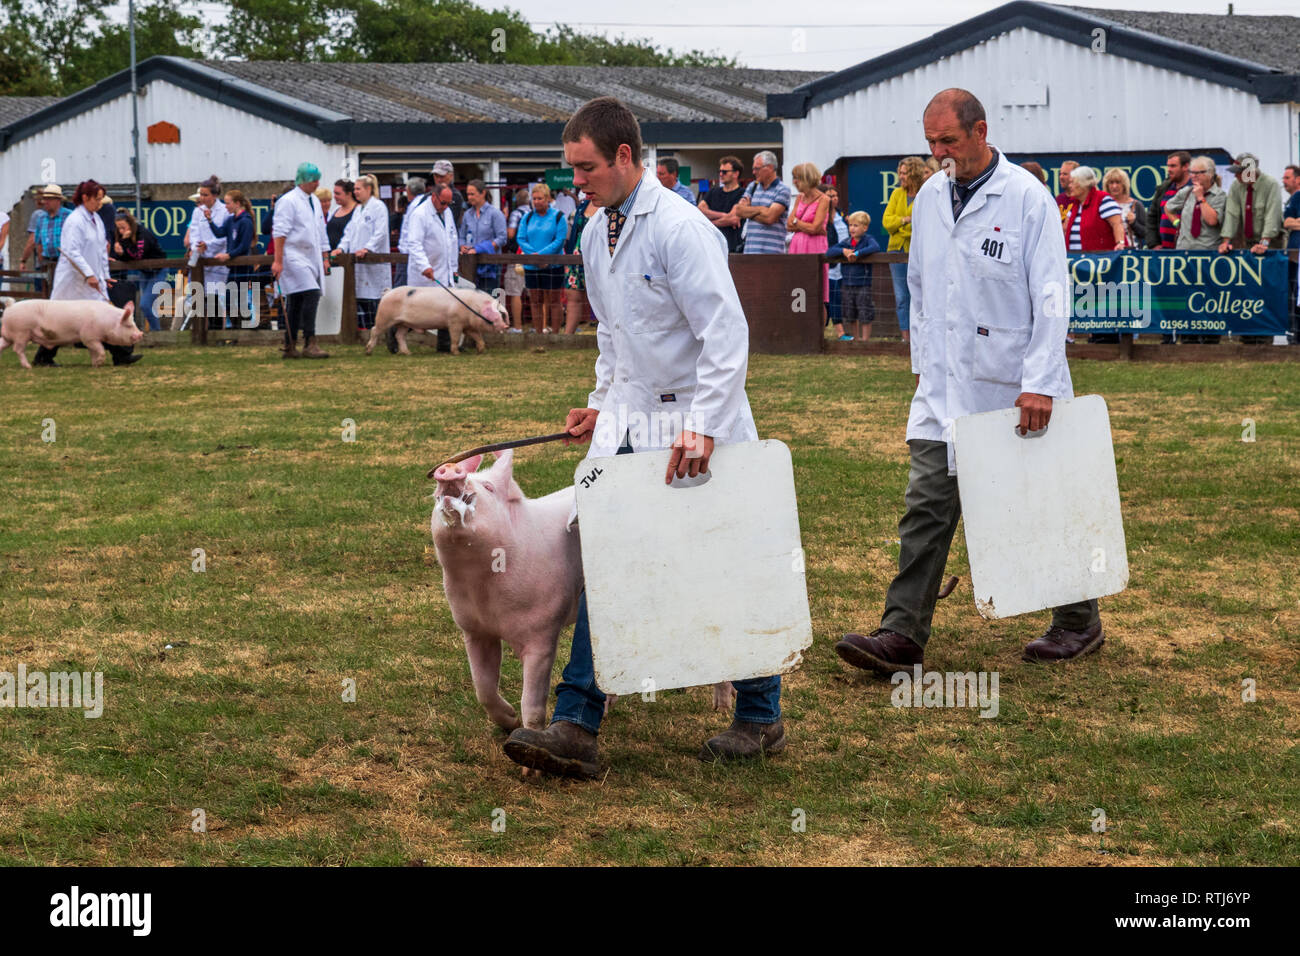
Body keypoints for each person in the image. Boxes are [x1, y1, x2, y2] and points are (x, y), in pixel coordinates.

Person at [502, 96, 779, 779]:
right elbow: (612, 333)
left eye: (587, 167)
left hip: (695, 425)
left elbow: (726, 334)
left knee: (723, 565)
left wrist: (704, 426)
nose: (577, 182)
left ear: (626, 156)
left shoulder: (682, 229)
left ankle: (760, 715)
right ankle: (576, 721)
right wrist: (601, 404)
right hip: (631, 425)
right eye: (570, 170)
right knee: (609, 555)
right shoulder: (598, 232)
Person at [837, 88, 1102, 677]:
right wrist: (922, 362)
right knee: (926, 506)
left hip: (1012, 385)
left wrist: (1040, 381)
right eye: (930, 143)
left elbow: (1052, 297)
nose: (938, 153)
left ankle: (1078, 621)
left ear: (981, 131)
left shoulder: (1027, 200)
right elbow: (926, 288)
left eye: (948, 141)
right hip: (944, 387)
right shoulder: (931, 195)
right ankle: (901, 634)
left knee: (1030, 504)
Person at [42, 179, 141, 367]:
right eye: (97, 199)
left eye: (101, 199)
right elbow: (72, 251)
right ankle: (43, 356)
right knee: (59, 320)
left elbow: (101, 251)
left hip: (92, 280)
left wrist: (104, 275)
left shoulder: (97, 220)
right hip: (73, 280)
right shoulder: (75, 221)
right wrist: (89, 274)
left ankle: (121, 355)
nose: (99, 203)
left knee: (102, 318)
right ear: (85, 198)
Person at [272, 162, 332, 359]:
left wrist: (325, 256)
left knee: (297, 299)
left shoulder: (313, 200)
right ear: (304, 180)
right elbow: (280, 232)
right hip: (293, 254)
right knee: (311, 294)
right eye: (314, 180)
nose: (317, 183)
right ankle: (310, 341)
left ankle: (290, 345)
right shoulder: (288, 201)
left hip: (311, 255)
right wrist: (278, 261)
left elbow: (320, 230)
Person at [332, 173, 391, 330]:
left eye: (358, 189)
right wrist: (341, 248)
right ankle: (363, 333)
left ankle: (380, 333)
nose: (355, 192)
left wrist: (368, 248)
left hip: (373, 264)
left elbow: (381, 232)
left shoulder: (378, 207)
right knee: (361, 299)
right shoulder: (358, 210)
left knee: (376, 299)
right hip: (359, 264)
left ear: (368, 189)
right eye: (355, 189)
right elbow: (349, 233)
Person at [883, 156, 926, 343]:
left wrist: (901, 225)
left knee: (921, 294)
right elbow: (886, 222)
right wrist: (905, 221)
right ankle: (906, 338)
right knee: (901, 296)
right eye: (899, 172)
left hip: (918, 251)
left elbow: (921, 226)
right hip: (896, 251)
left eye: (904, 173)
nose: (900, 176)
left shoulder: (925, 194)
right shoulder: (896, 194)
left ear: (914, 173)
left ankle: (922, 336)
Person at [516, 182, 567, 333]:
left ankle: (556, 334)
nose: (536, 202)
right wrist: (534, 257)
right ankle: (538, 333)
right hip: (532, 265)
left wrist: (543, 256)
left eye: (539, 198)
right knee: (535, 300)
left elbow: (560, 240)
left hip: (553, 265)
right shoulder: (527, 217)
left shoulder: (558, 217)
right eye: (534, 199)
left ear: (547, 199)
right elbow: (521, 238)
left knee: (554, 300)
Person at [786, 161, 831, 321]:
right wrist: (803, 225)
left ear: (806, 178)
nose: (794, 182)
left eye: (796, 178)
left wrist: (798, 223)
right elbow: (789, 225)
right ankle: (800, 325)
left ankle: (819, 330)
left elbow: (815, 227)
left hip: (815, 247)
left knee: (817, 290)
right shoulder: (799, 198)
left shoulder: (824, 199)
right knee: (798, 288)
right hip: (797, 247)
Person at [827, 211, 881, 341]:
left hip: (863, 284)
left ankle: (865, 340)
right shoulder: (846, 242)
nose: (852, 228)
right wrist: (843, 251)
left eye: (856, 225)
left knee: (865, 312)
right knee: (851, 313)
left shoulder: (868, 240)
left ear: (865, 227)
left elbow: (875, 247)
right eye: (850, 225)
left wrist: (857, 254)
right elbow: (829, 252)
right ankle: (856, 339)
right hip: (847, 284)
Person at [1218, 152, 1285, 256]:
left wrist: (1264, 243)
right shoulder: (1236, 186)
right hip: (1248, 243)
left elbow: (1272, 216)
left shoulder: (1271, 184)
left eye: (1239, 172)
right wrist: (1225, 242)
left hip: (1271, 243)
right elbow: (1231, 214)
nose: (1235, 175)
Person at [207, 189, 257, 326]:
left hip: (243, 266)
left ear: (237, 203)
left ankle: (248, 327)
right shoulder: (230, 220)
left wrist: (228, 255)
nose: (225, 206)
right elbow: (219, 233)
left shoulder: (246, 221)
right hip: (233, 266)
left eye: (228, 203)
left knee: (241, 299)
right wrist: (210, 220)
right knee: (229, 299)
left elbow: (244, 246)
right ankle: (237, 328)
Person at [111, 210, 167, 331]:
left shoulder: (143, 234)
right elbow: (127, 257)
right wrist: (119, 254)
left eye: (123, 227)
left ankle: (156, 332)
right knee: (148, 305)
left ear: (130, 225)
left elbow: (138, 254)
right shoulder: (123, 236)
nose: (121, 231)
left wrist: (124, 245)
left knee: (145, 304)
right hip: (145, 272)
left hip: (158, 270)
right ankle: (155, 332)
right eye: (118, 228)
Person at [20, 184, 71, 303]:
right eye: (45, 199)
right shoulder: (41, 218)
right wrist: (41, 260)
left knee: (64, 295)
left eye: (49, 199)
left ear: (58, 200)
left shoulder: (69, 216)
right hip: (47, 262)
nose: (45, 202)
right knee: (46, 295)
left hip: (64, 261)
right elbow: (38, 241)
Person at [735, 150, 790, 254]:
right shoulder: (752, 186)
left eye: (757, 169)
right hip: (750, 252)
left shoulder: (783, 190)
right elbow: (739, 210)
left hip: (772, 253)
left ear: (769, 168)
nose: (753, 172)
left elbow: (770, 218)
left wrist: (749, 212)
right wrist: (762, 209)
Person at [457, 178, 507, 293]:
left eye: (472, 194)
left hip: (490, 265)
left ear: (483, 193)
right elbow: (461, 236)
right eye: (468, 194)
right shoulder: (467, 215)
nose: (469, 197)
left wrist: (480, 249)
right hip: (469, 265)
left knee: (488, 300)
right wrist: (462, 246)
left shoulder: (495, 213)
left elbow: (502, 238)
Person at [1166, 156, 1226, 251]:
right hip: (1183, 252)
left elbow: (1212, 221)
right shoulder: (1186, 192)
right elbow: (1168, 207)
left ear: (1209, 174)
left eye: (1197, 173)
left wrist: (1200, 197)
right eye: (1191, 172)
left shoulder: (1220, 196)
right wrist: (1177, 223)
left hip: (1208, 253)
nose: (1193, 176)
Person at [1063, 166, 1125, 252]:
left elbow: (1117, 224)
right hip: (1076, 261)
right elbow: (1064, 230)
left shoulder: (1103, 200)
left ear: (1083, 184)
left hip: (1102, 260)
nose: (1070, 186)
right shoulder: (1075, 205)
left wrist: (1120, 243)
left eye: (1072, 182)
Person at [698, 154, 744, 252]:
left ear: (736, 174)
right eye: (719, 171)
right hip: (712, 245)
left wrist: (709, 224)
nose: (721, 174)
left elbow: (733, 219)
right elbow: (700, 210)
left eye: (724, 172)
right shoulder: (713, 192)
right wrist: (724, 215)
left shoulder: (743, 194)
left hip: (732, 247)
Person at [823, 183, 850, 339]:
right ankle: (839, 332)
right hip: (830, 264)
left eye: (835, 195)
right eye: (829, 195)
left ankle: (840, 332)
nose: (833, 199)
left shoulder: (841, 215)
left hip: (842, 265)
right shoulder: (823, 217)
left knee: (838, 298)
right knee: (831, 298)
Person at [1148, 151, 1191, 249]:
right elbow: (1152, 218)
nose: (1169, 170)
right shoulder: (1164, 188)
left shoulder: (1194, 188)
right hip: (1164, 253)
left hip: (1187, 251)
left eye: (1173, 166)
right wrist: (1154, 244)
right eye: (1168, 166)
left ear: (1185, 167)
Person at [563, 194, 592, 333]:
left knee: (604, 296)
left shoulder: (609, 207)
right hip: (576, 256)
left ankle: (608, 336)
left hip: (600, 256)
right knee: (572, 295)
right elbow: (570, 236)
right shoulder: (580, 209)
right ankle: (567, 337)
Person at [502, 188, 529, 331]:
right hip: (533, 255)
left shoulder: (516, 214)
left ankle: (517, 327)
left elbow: (510, 234)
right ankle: (542, 327)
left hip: (517, 256)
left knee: (515, 292)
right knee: (536, 292)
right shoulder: (533, 214)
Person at [1103, 168, 1146, 249]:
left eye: (1118, 182)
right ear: (1107, 185)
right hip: (1108, 253)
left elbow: (1146, 233)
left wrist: (1134, 223)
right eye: (1111, 183)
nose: (1114, 186)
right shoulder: (1103, 205)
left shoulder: (1136, 205)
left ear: (1124, 184)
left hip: (1131, 252)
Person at [1282, 164, 1300, 343]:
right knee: (1293, 295)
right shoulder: (1295, 199)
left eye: (1287, 178)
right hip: (1295, 255)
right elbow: (1287, 222)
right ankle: (1294, 335)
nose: (1283, 182)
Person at [430, 160, 466, 227]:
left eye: (442, 176)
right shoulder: (429, 195)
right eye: (436, 176)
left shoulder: (455, 196)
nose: (438, 179)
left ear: (451, 176)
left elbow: (448, 222)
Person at [326, 179, 356, 250]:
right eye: (334, 193)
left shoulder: (357, 212)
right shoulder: (335, 210)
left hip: (347, 256)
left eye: (338, 194)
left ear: (349, 194)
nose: (334, 196)